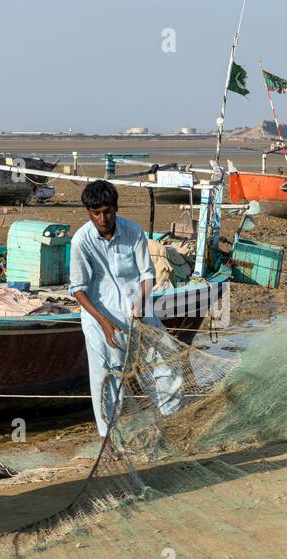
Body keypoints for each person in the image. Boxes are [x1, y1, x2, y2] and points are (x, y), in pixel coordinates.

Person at [69, 180, 182, 438]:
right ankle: (109, 438)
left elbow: (147, 274)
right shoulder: (81, 241)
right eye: (95, 213)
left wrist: (142, 302)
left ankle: (172, 423)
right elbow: (78, 289)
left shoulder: (133, 231)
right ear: (88, 212)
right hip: (101, 319)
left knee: (166, 363)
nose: (102, 218)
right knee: (108, 378)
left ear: (115, 209)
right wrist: (104, 323)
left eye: (107, 212)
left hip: (139, 310)